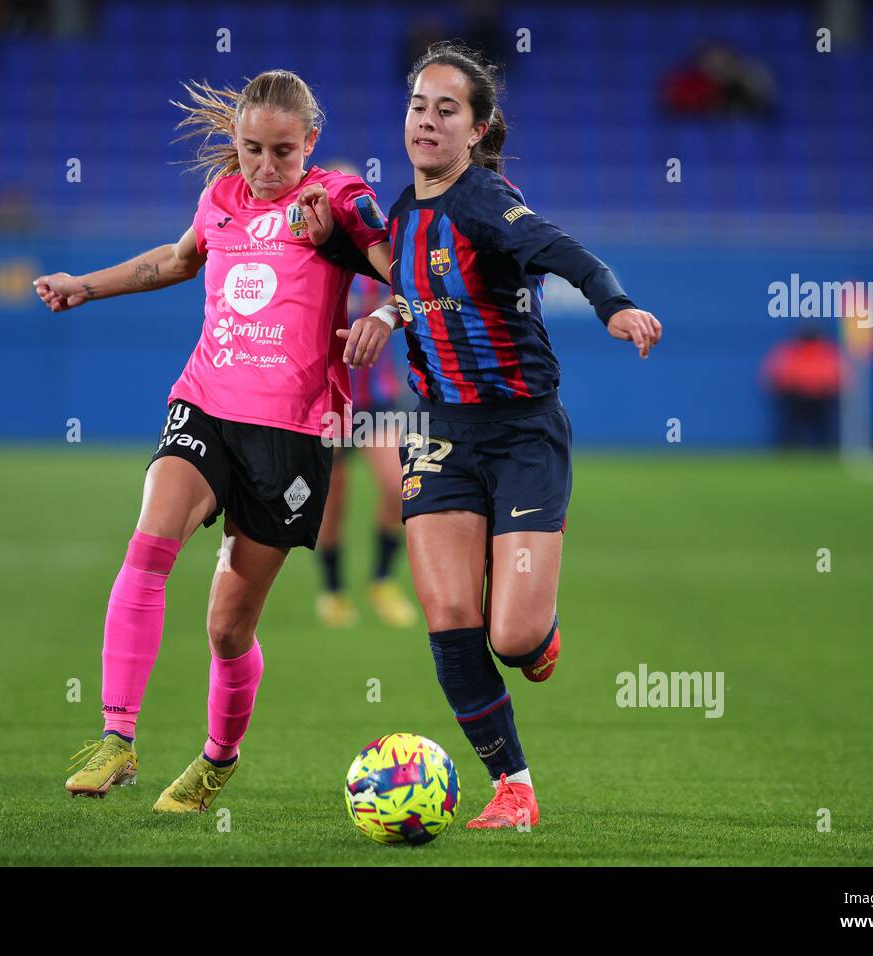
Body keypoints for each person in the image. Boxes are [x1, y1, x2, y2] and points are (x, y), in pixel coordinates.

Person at [315, 41, 662, 829]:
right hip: (438, 429)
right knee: (447, 617)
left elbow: (565, 253)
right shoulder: (403, 216)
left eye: (447, 109)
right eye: (417, 106)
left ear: (476, 130)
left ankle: (536, 634)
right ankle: (514, 788)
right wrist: (385, 313)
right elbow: (421, 290)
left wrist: (614, 305)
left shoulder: (486, 201)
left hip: (521, 432)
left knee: (511, 635)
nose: (427, 121)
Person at [35, 69, 392, 813]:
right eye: (253, 149)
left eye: (283, 153)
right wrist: (85, 285)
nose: (266, 168)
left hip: (291, 433)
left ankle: (217, 759)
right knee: (150, 541)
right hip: (205, 402)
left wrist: (386, 316)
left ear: (311, 144)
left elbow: (405, 272)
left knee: (228, 630)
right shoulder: (221, 198)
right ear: (235, 143)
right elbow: (174, 260)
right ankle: (118, 738)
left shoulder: (339, 199)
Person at [315, 267, 419, 630]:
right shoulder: (320, 273)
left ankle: (382, 581)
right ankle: (333, 590)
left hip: (378, 403)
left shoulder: (380, 273)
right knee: (332, 503)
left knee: (399, 485)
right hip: (330, 403)